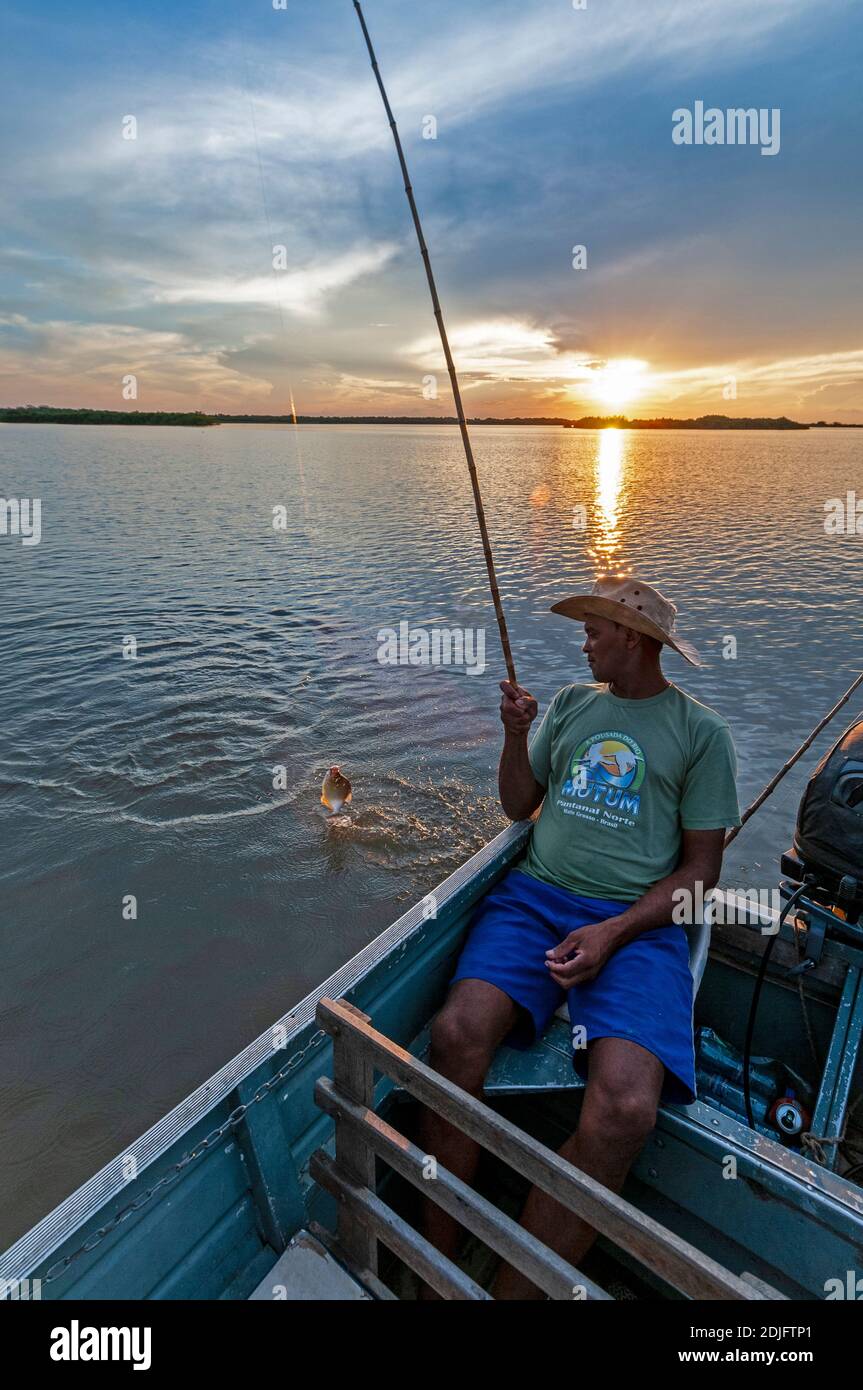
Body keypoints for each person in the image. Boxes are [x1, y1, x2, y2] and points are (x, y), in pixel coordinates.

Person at [418, 575, 741, 1298]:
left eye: (594, 629)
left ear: (632, 637)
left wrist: (615, 930)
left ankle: (513, 1285)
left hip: (636, 925)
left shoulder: (701, 734)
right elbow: (515, 805)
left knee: (625, 1109)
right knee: (455, 1035)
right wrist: (511, 734)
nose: (583, 639)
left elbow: (699, 875)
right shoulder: (568, 705)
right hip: (533, 900)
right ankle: (434, 1263)